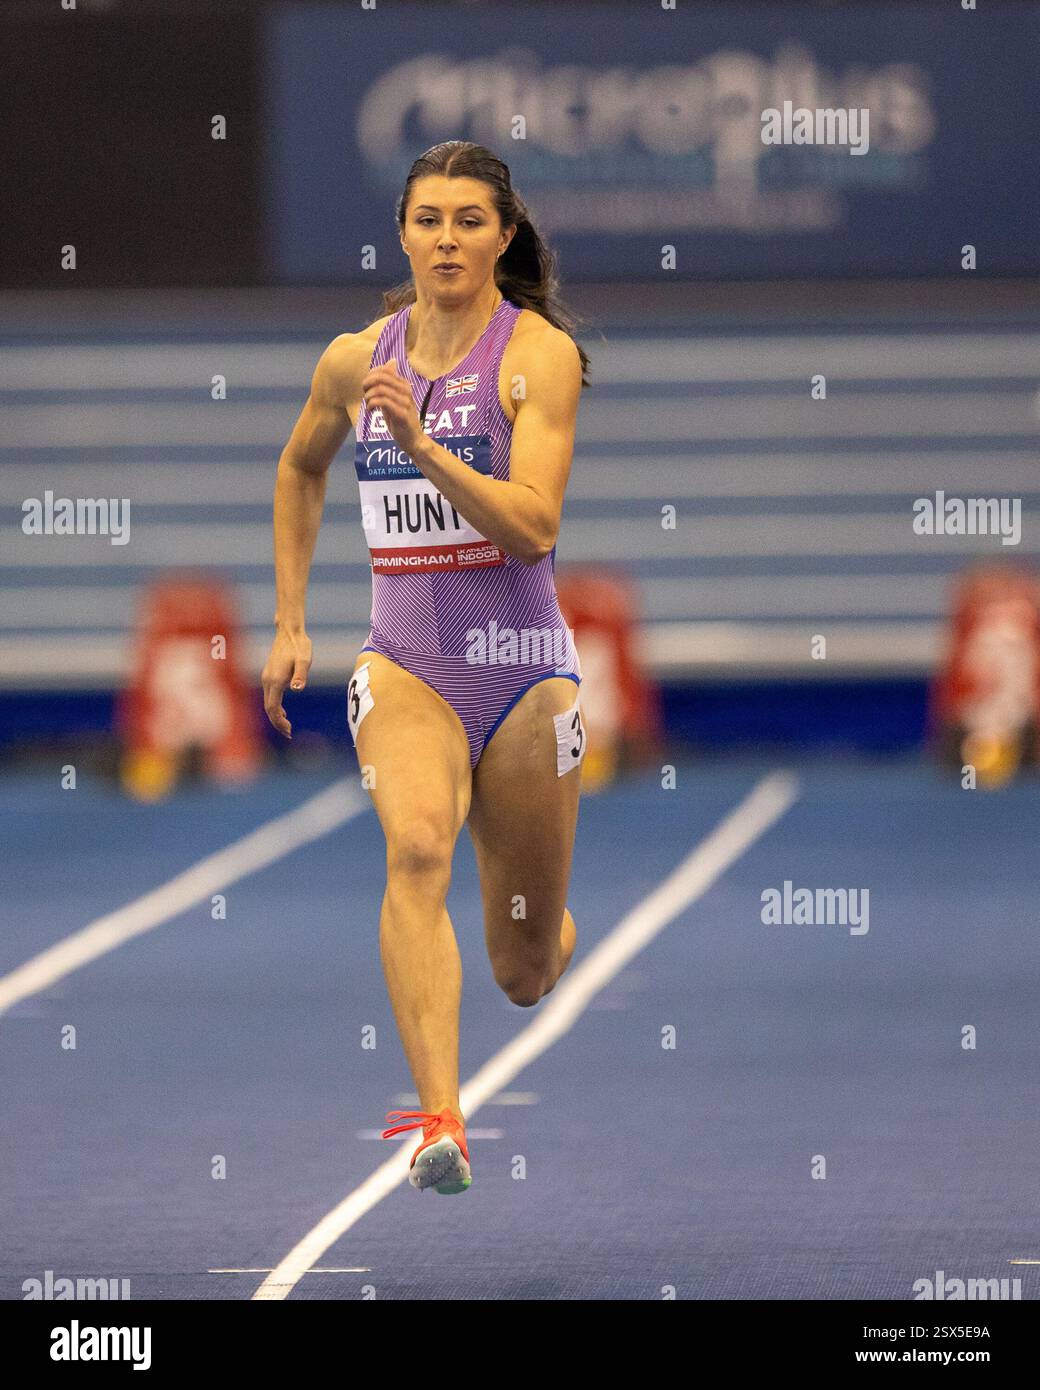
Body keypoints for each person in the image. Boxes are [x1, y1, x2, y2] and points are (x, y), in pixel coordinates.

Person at [262, 141, 591, 1194]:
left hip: (526, 671)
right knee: (413, 847)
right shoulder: (354, 358)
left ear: (502, 235)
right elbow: (300, 465)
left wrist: (424, 447)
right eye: (426, 219)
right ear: (401, 233)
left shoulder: (534, 355)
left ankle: (548, 914)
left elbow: (532, 529)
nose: (445, 238)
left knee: (523, 968)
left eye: (466, 220)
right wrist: (288, 619)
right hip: (405, 658)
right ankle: (438, 1120)